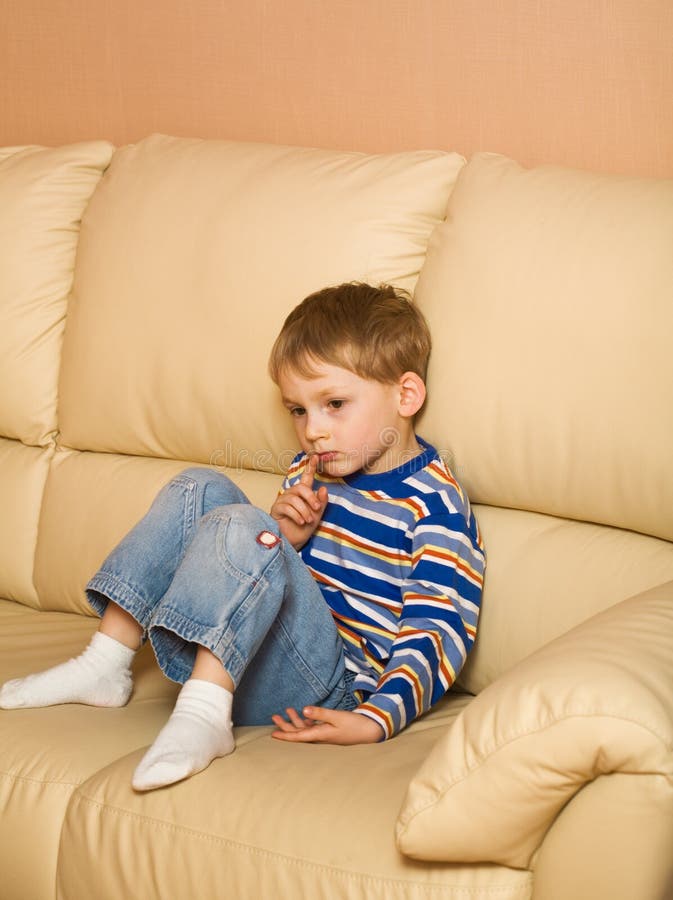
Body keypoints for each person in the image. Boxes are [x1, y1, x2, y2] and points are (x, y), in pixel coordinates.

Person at [0, 282, 485, 791]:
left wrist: (376, 718)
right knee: (199, 487)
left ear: (405, 395)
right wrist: (287, 537)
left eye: (335, 403)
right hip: (248, 653)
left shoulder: (436, 506)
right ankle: (105, 662)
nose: (313, 430)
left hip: (334, 688)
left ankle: (205, 714)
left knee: (244, 525)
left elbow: (437, 628)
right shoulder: (312, 471)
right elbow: (265, 581)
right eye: (298, 410)